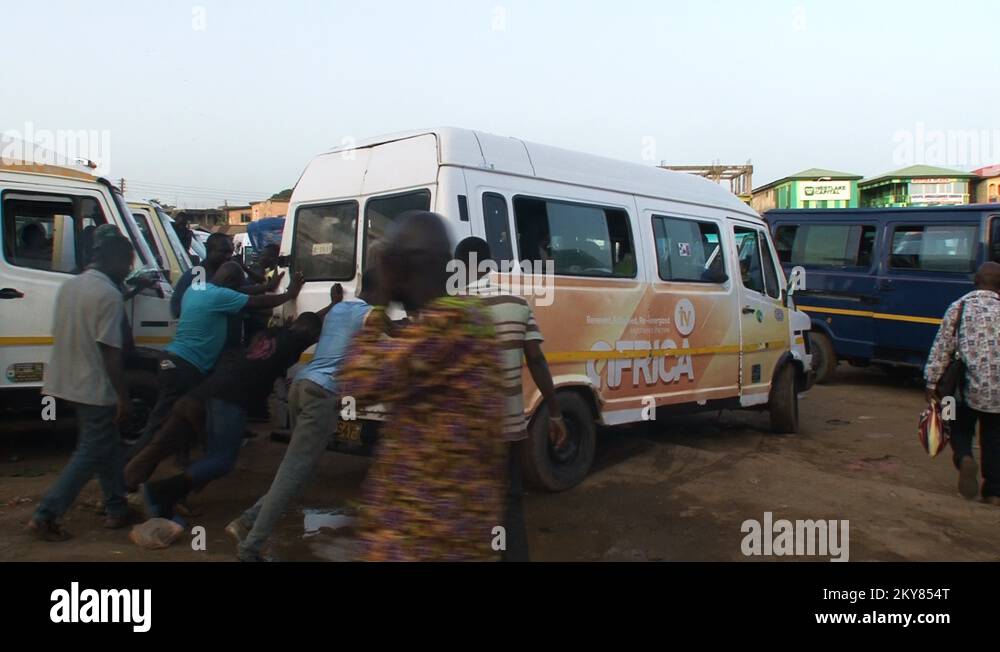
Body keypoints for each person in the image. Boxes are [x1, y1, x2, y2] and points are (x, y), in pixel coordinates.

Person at [338, 211, 506, 561]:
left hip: (424, 538)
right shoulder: (470, 317)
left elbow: (357, 381)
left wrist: (380, 302)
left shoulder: (449, 324)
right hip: (451, 532)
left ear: (401, 267)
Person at [227, 271, 382, 561]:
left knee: (297, 470)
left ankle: (247, 521)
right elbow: (393, 328)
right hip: (322, 395)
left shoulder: (340, 308)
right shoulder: (368, 313)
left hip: (302, 386)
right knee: (294, 472)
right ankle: (251, 545)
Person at [139, 312, 323, 520]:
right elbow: (309, 328)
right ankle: (158, 492)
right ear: (309, 332)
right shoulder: (295, 341)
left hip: (213, 387)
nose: (316, 340)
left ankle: (169, 498)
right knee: (222, 461)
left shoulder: (273, 333)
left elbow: (307, 323)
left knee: (211, 455)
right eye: (316, 336)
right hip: (232, 398)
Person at [126, 261, 303, 471]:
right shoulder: (219, 296)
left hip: (173, 361)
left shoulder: (196, 289)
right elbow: (255, 302)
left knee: (178, 421)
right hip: (186, 366)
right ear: (229, 282)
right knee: (158, 428)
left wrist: (265, 286)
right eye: (236, 286)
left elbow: (244, 292)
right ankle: (125, 474)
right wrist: (288, 294)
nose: (237, 290)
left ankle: (178, 462)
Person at [453, 237, 566, 562]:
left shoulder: (449, 310)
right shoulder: (517, 304)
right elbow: (537, 360)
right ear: (489, 265)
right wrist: (555, 413)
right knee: (509, 504)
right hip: (509, 430)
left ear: (458, 267)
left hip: (464, 433)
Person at [28, 236, 136, 541]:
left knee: (107, 445)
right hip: (94, 385)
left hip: (66, 380)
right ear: (117, 260)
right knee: (91, 451)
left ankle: (117, 507)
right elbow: (110, 351)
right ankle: (46, 514)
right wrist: (123, 397)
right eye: (128, 263)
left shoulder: (70, 285)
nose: (129, 270)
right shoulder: (108, 295)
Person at [925, 261, 1000, 505]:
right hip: (998, 392)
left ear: (976, 281)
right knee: (994, 437)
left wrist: (932, 381)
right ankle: (994, 492)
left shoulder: (959, 307)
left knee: (958, 427)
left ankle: (965, 458)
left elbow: (943, 347)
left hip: (962, 388)